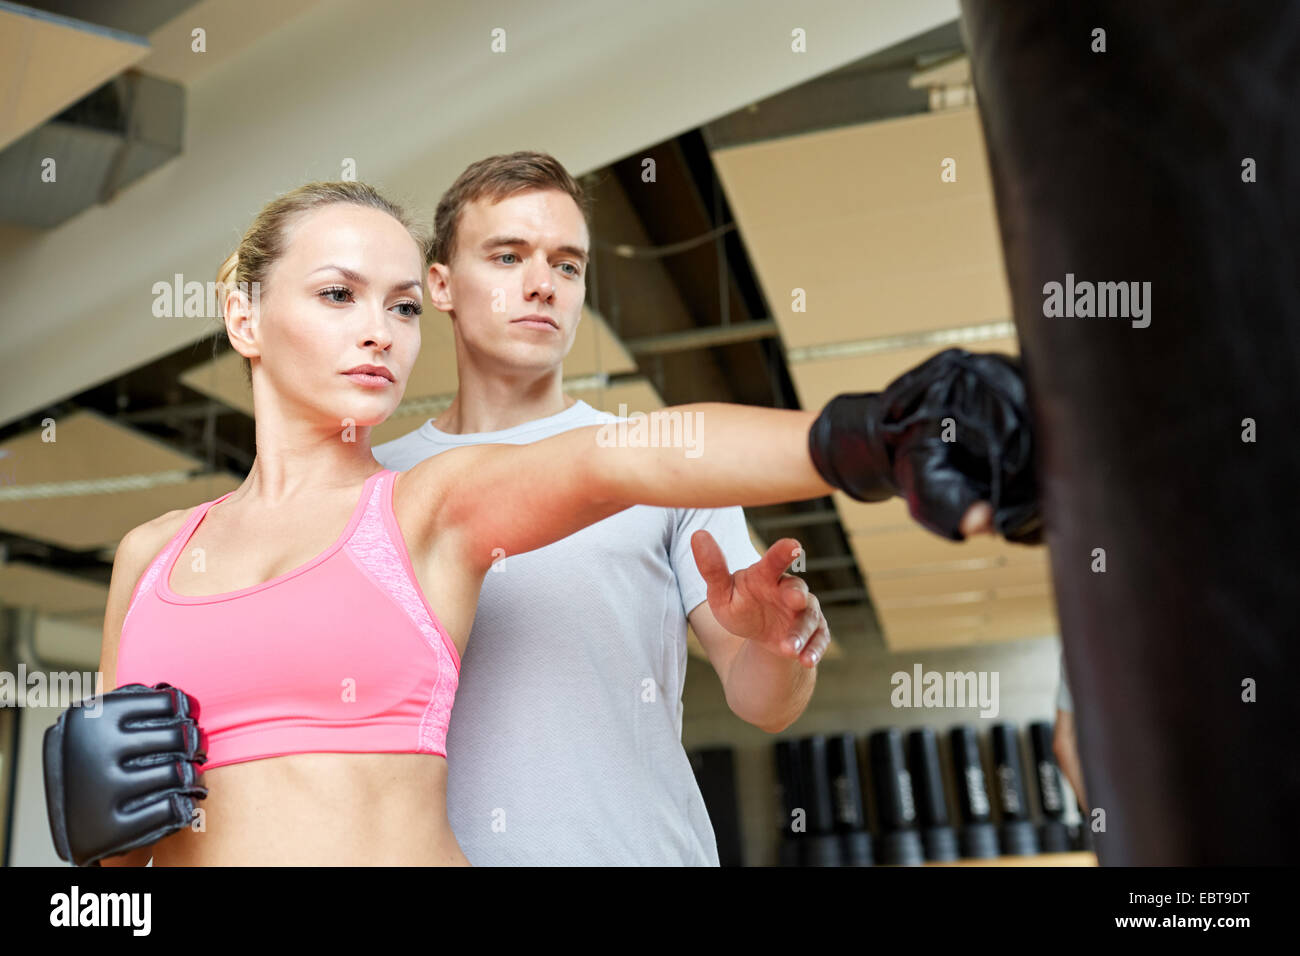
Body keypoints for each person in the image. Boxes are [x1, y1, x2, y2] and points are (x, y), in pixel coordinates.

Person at [44, 179, 1038, 867]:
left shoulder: (426, 506)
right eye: (338, 294)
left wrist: (864, 435)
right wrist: (98, 844)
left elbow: (629, 454)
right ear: (246, 315)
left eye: (400, 307)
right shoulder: (153, 554)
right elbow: (124, 860)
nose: (378, 331)